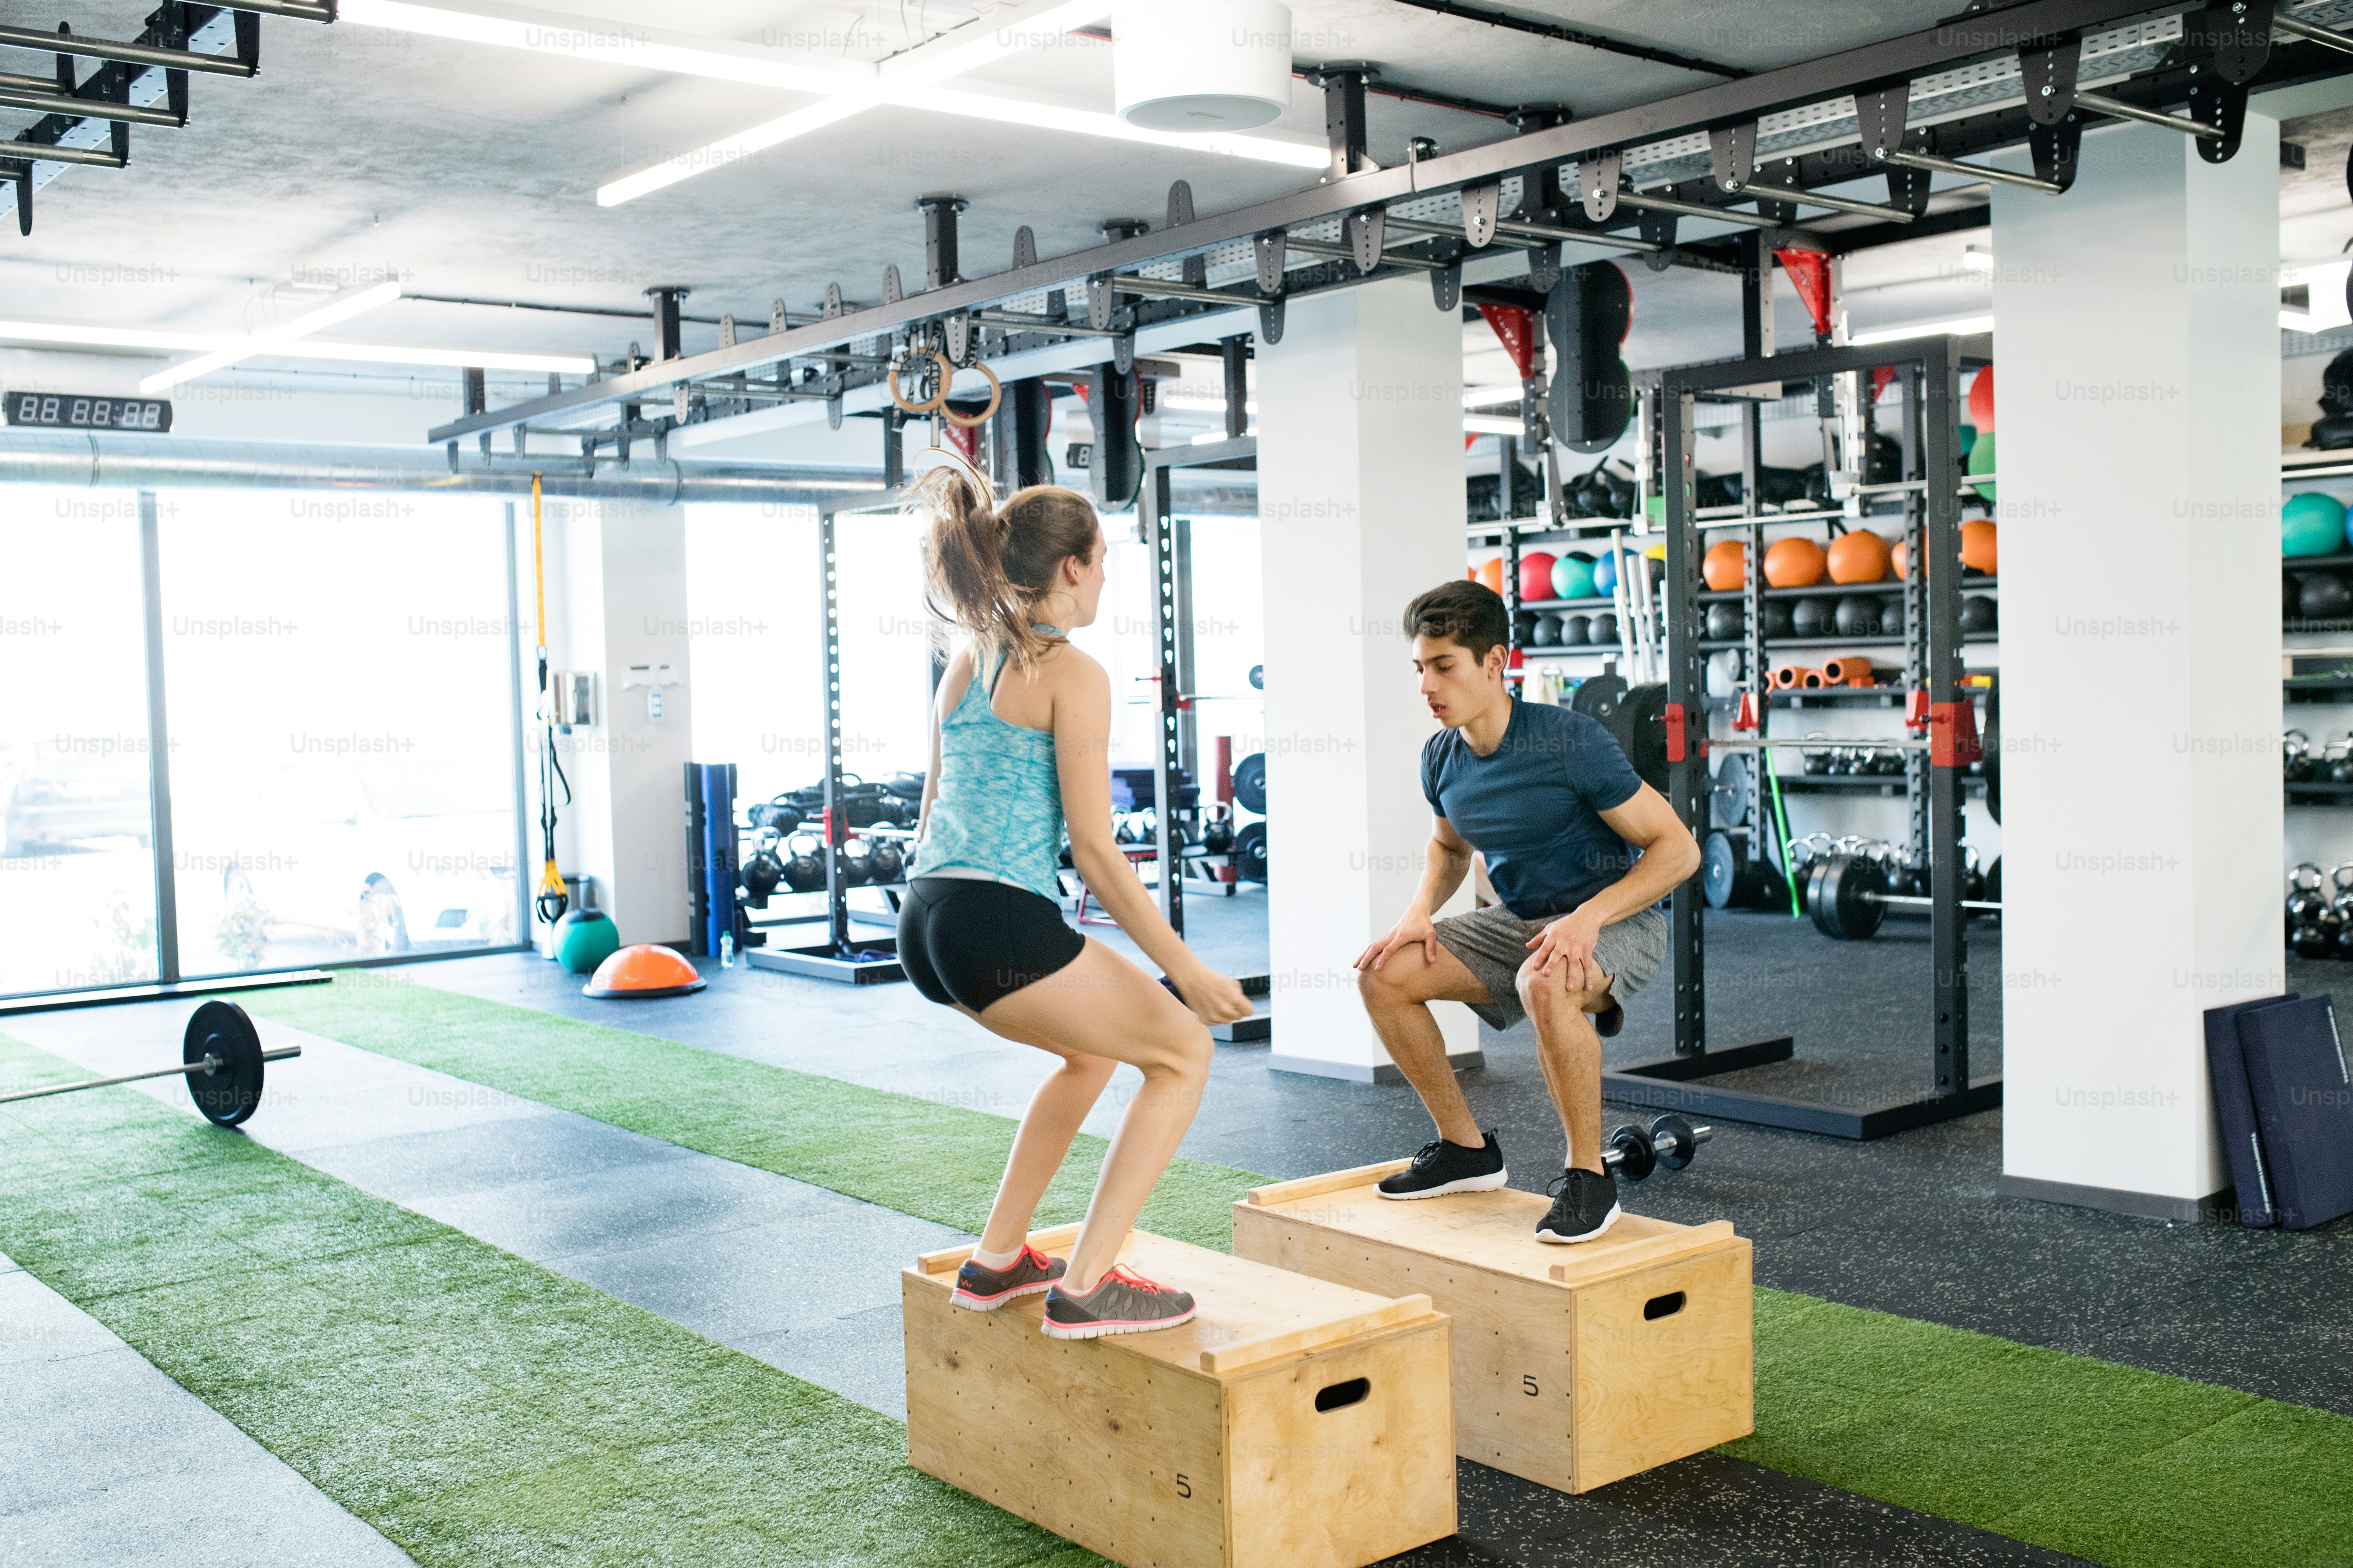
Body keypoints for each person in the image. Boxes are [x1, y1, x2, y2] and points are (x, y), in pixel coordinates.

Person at [898, 452, 1253, 1338]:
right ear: (1072, 568)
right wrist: (1187, 974)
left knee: (1090, 1057)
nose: (1102, 580)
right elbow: (1096, 852)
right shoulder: (1073, 671)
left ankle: (997, 1259)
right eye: (1102, 563)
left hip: (925, 918)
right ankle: (1090, 1282)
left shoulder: (966, 660)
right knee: (1180, 1054)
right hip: (995, 921)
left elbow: (931, 810)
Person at [1355, 579, 1700, 1243]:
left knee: (1545, 979)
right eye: (1420, 668)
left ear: (1494, 662)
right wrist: (1419, 910)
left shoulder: (1570, 742)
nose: (1427, 685)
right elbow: (1447, 847)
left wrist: (1588, 916)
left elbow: (1677, 851)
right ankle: (1465, 1151)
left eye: (1444, 666)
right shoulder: (1441, 755)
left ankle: (1589, 1177)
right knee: (1383, 973)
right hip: (1520, 922)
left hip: (1618, 920)